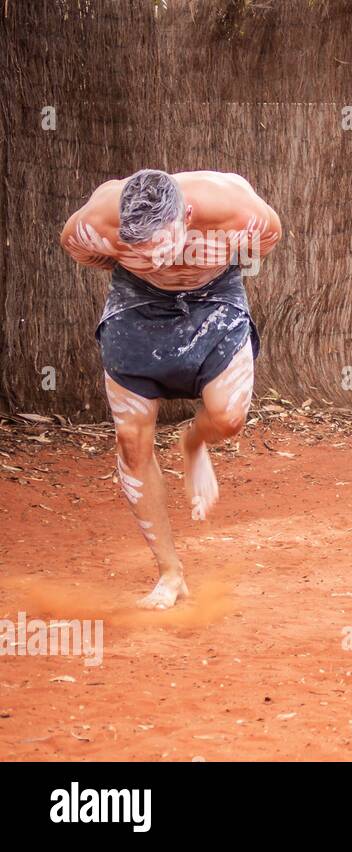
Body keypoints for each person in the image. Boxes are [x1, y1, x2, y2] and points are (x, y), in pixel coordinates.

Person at [60, 169, 282, 609]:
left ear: (190, 215)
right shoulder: (98, 219)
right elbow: (81, 250)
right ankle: (170, 573)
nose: (161, 259)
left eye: (164, 246)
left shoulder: (238, 212)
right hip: (136, 301)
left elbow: (262, 248)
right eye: (143, 249)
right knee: (130, 440)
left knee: (229, 418)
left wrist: (203, 265)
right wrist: (140, 267)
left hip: (214, 294)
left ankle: (192, 442)